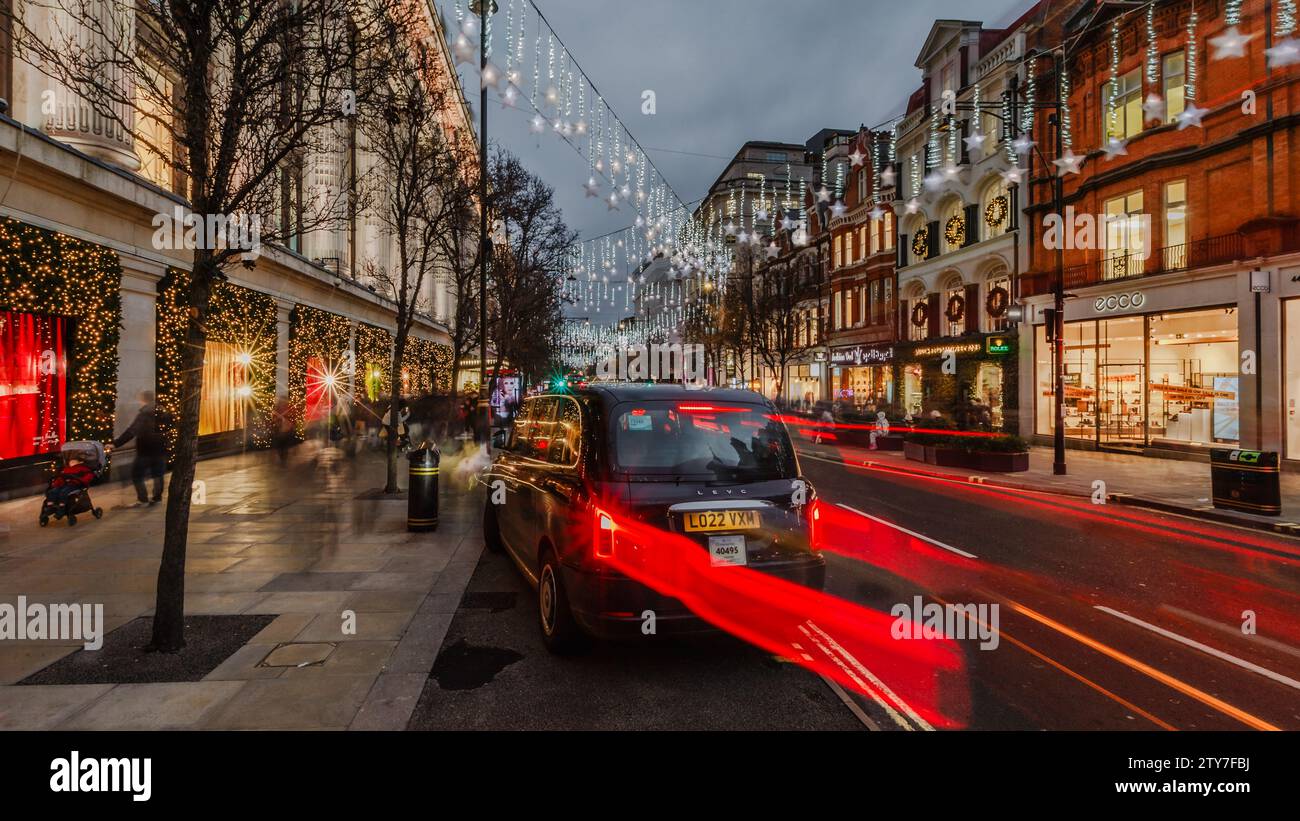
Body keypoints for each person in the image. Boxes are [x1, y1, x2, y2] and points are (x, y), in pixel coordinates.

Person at [110, 390, 167, 506]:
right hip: (160, 448)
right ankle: (157, 498)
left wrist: (116, 444)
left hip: (145, 449)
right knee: (158, 474)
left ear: (144, 399)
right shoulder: (163, 412)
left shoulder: (145, 414)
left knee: (137, 475)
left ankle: (143, 499)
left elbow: (132, 431)